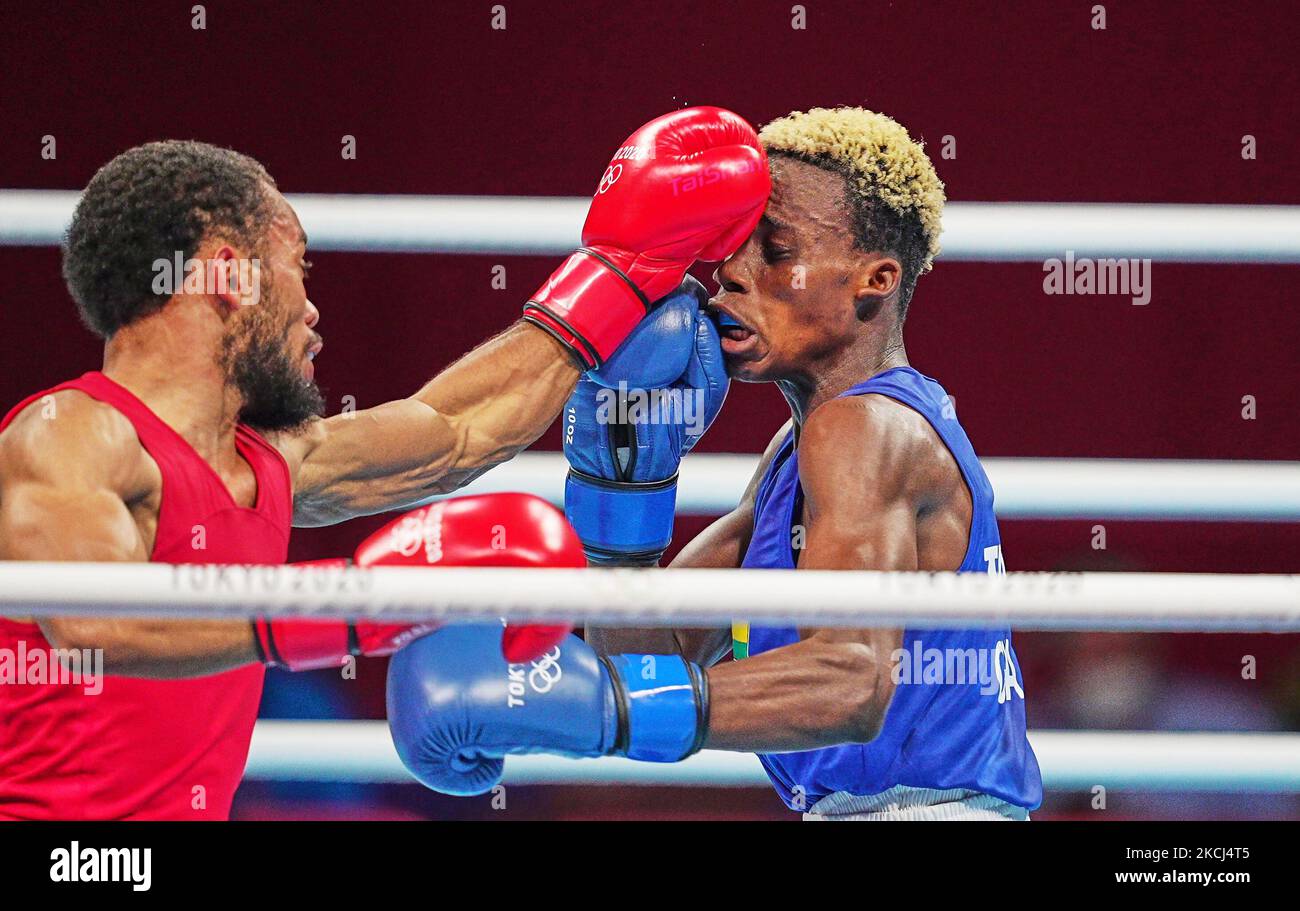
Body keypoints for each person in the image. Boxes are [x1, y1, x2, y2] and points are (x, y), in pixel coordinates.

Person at [0, 107, 770, 819]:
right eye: (299, 263)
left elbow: (453, 429)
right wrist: (352, 609)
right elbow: (94, 616)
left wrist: (618, 269)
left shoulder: (268, 459)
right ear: (228, 275)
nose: (313, 309)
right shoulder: (68, 432)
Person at [387, 106, 1042, 821]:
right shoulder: (798, 455)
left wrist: (601, 709)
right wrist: (626, 484)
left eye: (776, 250)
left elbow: (849, 682)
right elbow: (651, 655)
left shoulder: (865, 428)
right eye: (733, 246)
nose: (729, 271)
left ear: (873, 279)